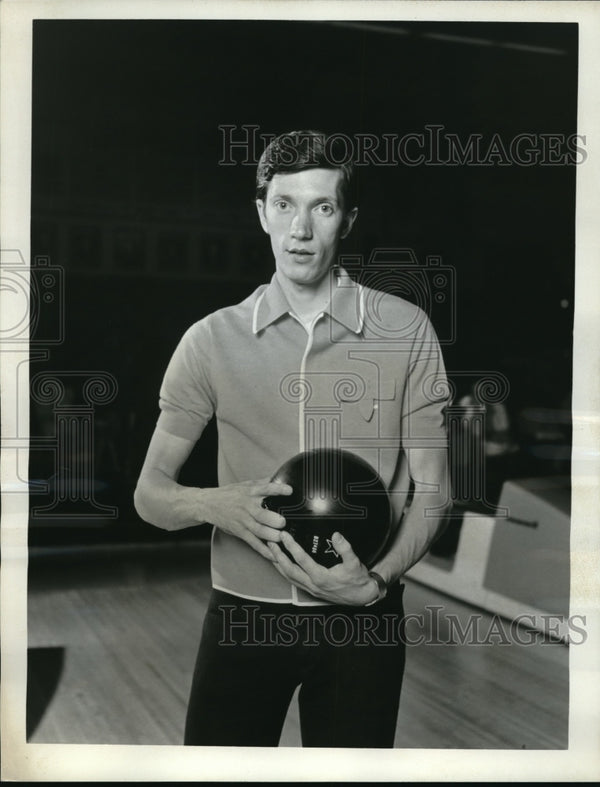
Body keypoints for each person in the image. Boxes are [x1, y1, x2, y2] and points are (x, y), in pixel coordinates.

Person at [134, 130, 450, 748]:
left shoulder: (406, 329)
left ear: (347, 219)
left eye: (322, 207)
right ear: (261, 212)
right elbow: (150, 494)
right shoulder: (209, 340)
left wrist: (376, 583)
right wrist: (211, 504)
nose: (300, 229)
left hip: (365, 618)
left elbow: (437, 490)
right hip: (242, 618)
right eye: (284, 205)